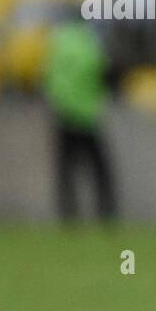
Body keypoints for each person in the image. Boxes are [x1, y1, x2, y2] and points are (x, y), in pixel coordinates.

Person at [43, 20, 117, 222]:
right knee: (100, 170)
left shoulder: (57, 45)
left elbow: (48, 78)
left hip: (64, 114)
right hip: (87, 114)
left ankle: (68, 214)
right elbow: (102, 73)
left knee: (66, 170)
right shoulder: (90, 45)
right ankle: (106, 213)